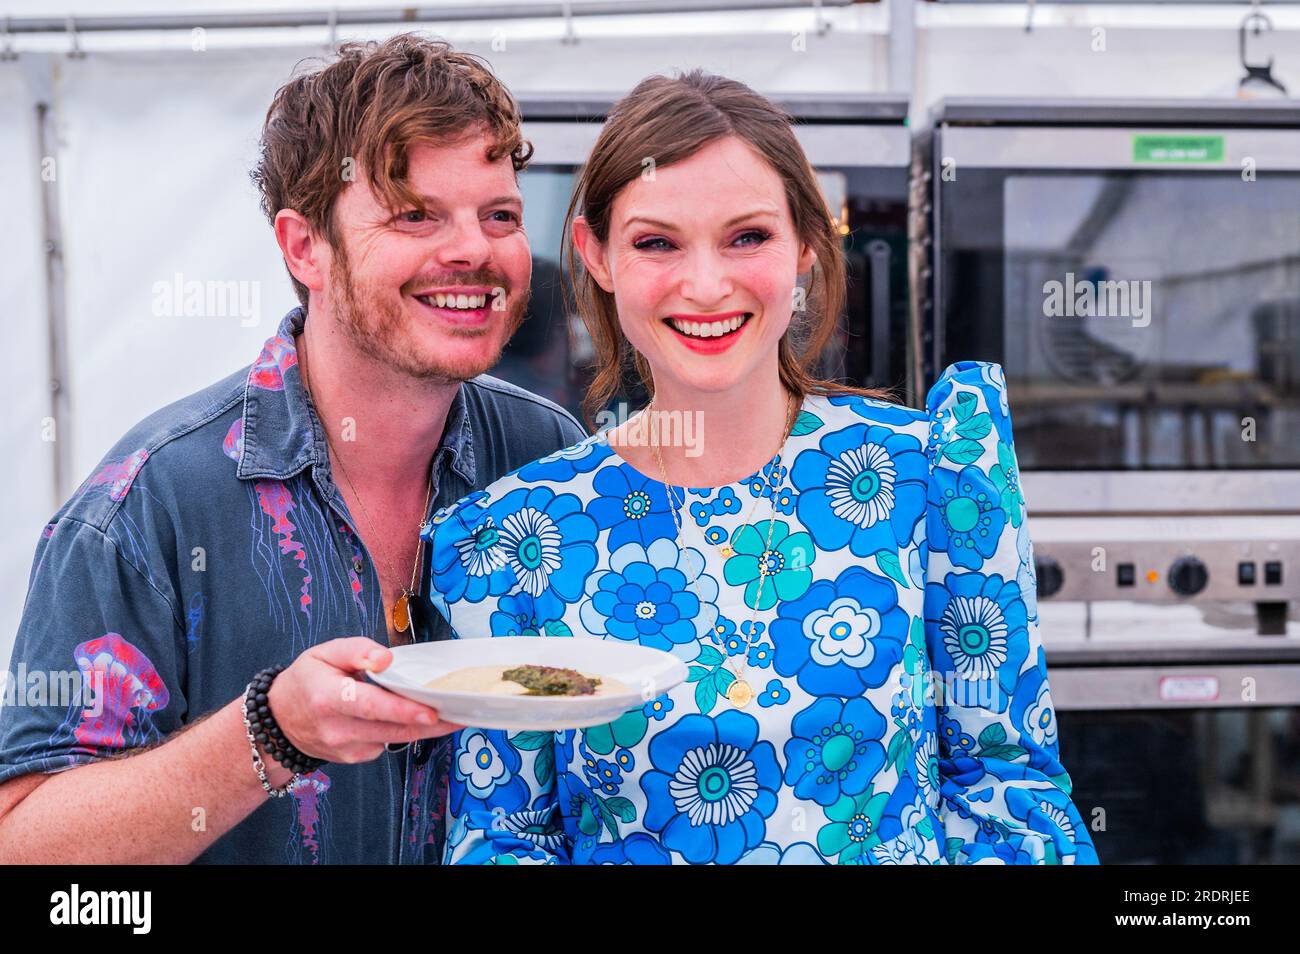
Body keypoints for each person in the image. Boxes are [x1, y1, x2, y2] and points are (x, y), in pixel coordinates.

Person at [424, 69, 1100, 864]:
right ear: (596, 254)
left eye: (748, 237)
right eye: (656, 242)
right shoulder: (517, 540)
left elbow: (1007, 792)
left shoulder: (932, 479)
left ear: (806, 244)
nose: (706, 285)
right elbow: (505, 839)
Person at [0, 34, 585, 864]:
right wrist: (270, 732)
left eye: (500, 216)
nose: (475, 250)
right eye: (416, 215)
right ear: (303, 246)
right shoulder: (148, 505)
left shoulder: (546, 456)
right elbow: (24, 843)